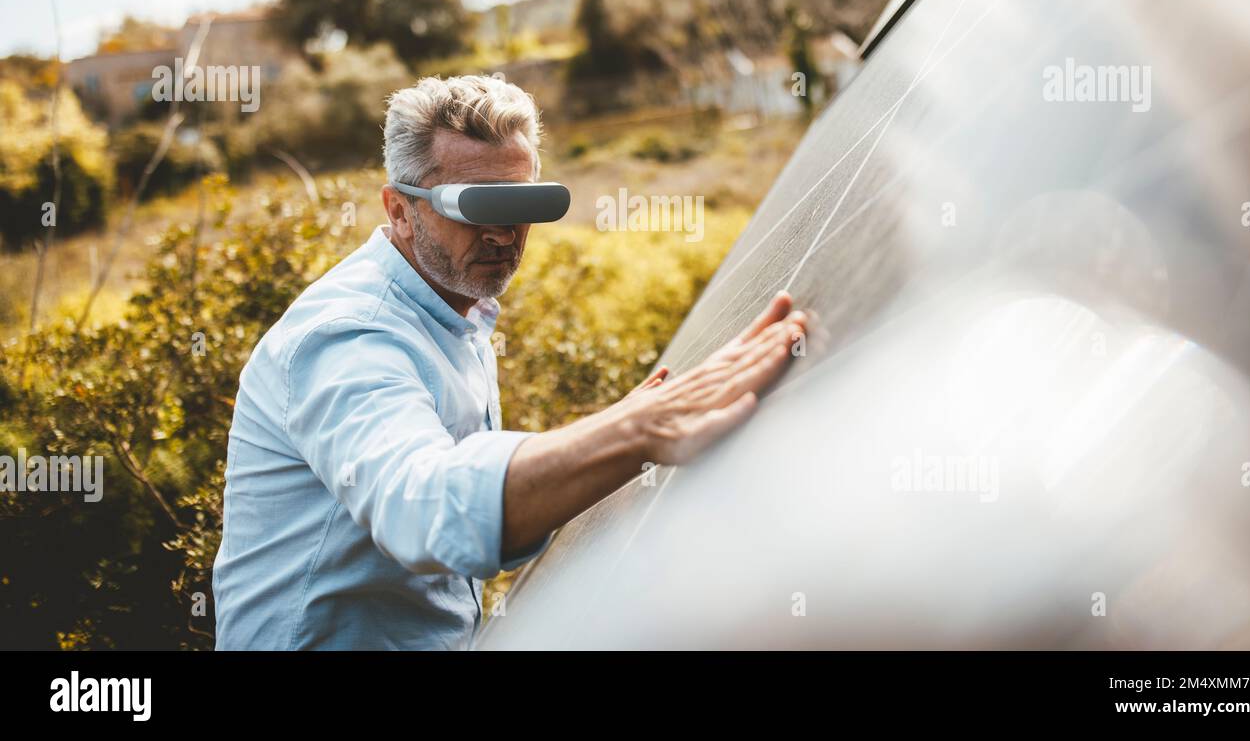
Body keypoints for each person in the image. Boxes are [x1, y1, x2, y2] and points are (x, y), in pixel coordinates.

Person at [212, 75, 807, 649]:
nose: (503, 232)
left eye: (523, 203)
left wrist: (625, 430)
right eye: (475, 206)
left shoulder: (457, 310)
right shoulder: (348, 338)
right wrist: (636, 432)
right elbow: (424, 507)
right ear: (399, 210)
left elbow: (477, 527)